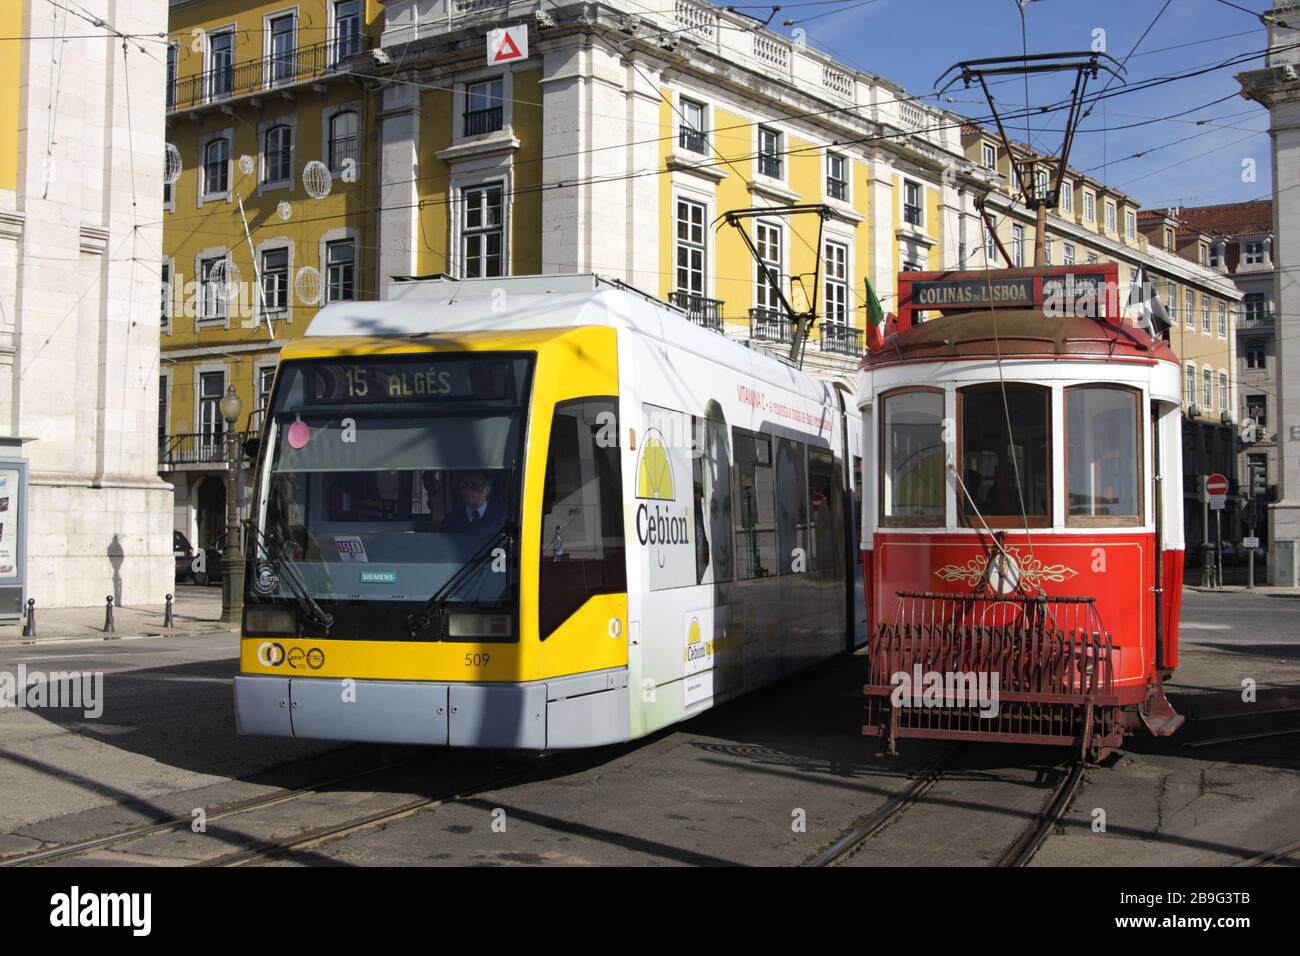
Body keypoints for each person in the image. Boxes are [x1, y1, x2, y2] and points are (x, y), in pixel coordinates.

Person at [439, 470, 506, 534]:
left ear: (487, 489)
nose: (467, 490)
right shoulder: (450, 521)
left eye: (473, 486)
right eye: (464, 486)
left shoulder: (501, 518)